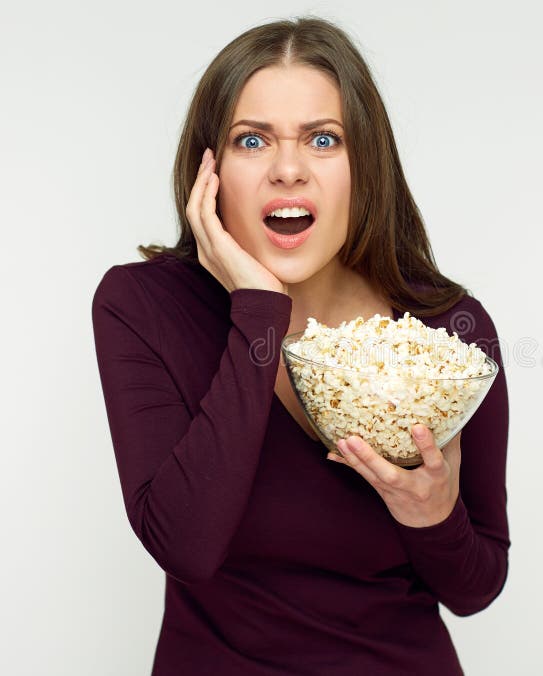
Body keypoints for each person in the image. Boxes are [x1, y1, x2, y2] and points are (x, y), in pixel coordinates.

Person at [91, 16, 510, 676]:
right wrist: (259, 313)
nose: (288, 170)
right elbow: (187, 546)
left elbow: (476, 587)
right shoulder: (144, 306)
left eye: (323, 139)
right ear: (212, 171)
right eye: (252, 140)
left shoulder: (446, 329)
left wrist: (434, 515)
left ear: (364, 165)